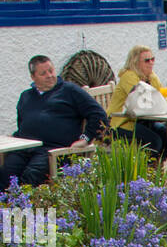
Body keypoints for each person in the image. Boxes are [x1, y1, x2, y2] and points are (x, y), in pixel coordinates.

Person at [2, 56, 107, 190]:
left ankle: (26, 209)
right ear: (33, 77)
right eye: (43, 73)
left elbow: (98, 114)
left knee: (31, 176)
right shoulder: (26, 96)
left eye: (51, 71)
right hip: (25, 148)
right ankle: (7, 209)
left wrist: (85, 139)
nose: (50, 75)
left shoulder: (70, 91)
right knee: (6, 173)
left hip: (53, 149)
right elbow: (22, 124)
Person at [108, 46, 167, 157]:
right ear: (135, 63)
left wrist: (152, 77)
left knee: (165, 133)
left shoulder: (149, 76)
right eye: (147, 60)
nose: (151, 63)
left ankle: (159, 167)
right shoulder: (129, 76)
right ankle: (148, 171)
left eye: (152, 59)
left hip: (141, 121)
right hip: (122, 123)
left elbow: (160, 96)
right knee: (154, 141)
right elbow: (141, 101)